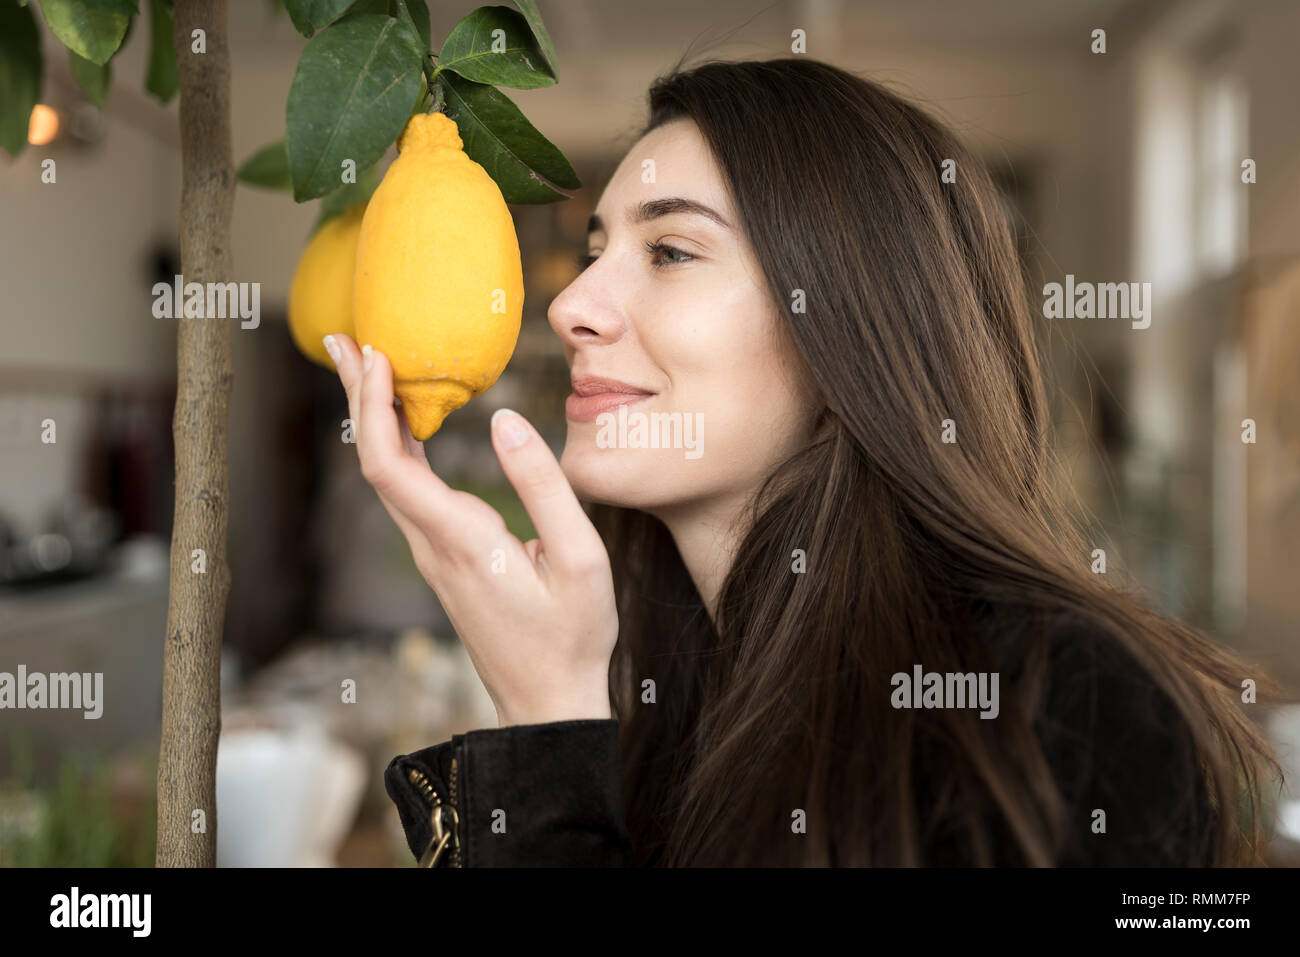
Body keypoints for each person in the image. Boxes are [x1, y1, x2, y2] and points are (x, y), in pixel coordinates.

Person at [322, 57, 1285, 867]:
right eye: (596, 247)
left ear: (852, 324)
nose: (571, 304)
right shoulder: (678, 695)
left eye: (670, 251)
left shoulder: (1065, 707)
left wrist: (546, 731)